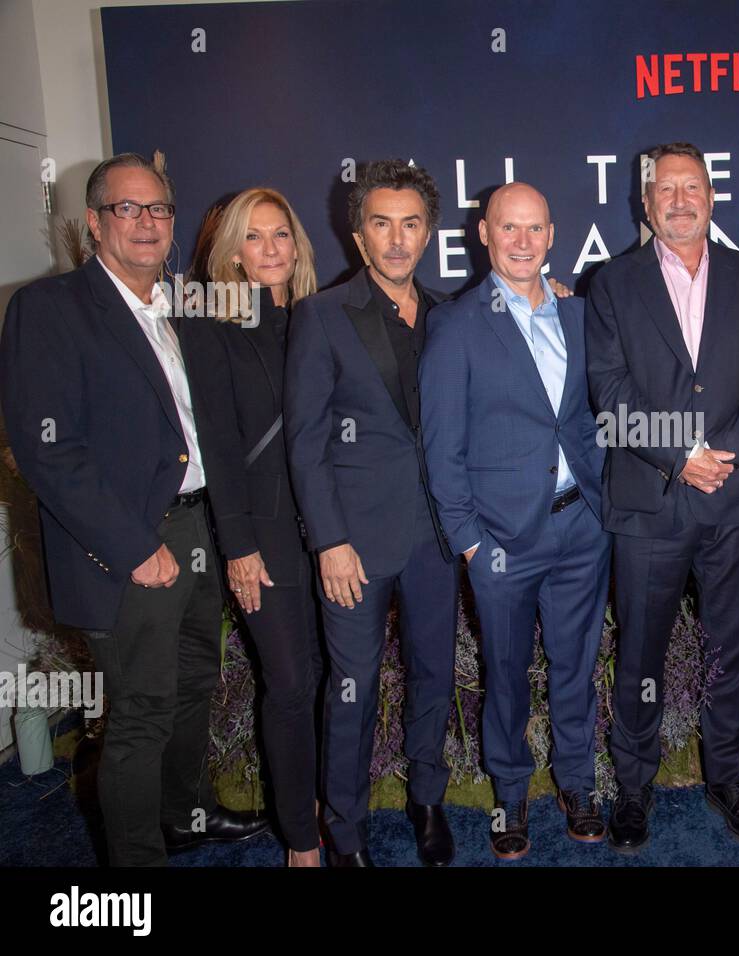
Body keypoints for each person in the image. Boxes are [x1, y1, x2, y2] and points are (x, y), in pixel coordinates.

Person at [0, 153, 267, 865]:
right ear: (93, 223)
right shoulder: (49, 310)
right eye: (128, 208)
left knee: (193, 688)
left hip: (200, 529)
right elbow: (48, 450)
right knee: (141, 715)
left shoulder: (180, 304)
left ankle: (186, 814)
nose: (147, 223)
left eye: (158, 210)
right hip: (134, 546)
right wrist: (131, 547)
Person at [586, 142, 739, 853]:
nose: (679, 199)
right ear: (644, 204)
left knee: (730, 651)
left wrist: (721, 456)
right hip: (650, 506)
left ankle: (729, 782)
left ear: (711, 196)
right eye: (664, 189)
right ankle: (634, 789)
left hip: (735, 504)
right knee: (640, 655)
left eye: (692, 186)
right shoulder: (611, 285)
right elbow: (609, 393)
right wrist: (683, 456)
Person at [423, 182, 610, 860]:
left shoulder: (581, 315)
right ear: (485, 234)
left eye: (535, 228)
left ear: (553, 235)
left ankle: (579, 784)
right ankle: (509, 795)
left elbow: (593, 414)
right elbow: (441, 450)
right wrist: (469, 541)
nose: (523, 241)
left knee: (575, 665)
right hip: (500, 540)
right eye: (510, 228)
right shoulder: (456, 324)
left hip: (582, 527)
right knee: (504, 673)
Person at [284, 159, 458, 868]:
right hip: (354, 542)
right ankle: (345, 833)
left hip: (437, 539)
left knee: (433, 675)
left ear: (428, 233)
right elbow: (305, 442)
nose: (396, 239)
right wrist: (329, 541)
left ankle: (426, 800)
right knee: (351, 690)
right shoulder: (321, 316)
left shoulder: (452, 314)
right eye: (380, 224)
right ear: (358, 237)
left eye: (410, 223)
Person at [179, 187, 325, 867]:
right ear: (232, 250)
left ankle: (316, 802)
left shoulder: (316, 317)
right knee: (290, 682)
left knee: (326, 676)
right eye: (255, 236)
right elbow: (216, 444)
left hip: (328, 530)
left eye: (282, 235)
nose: (271, 248)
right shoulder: (211, 325)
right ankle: (300, 838)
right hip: (262, 538)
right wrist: (236, 546)